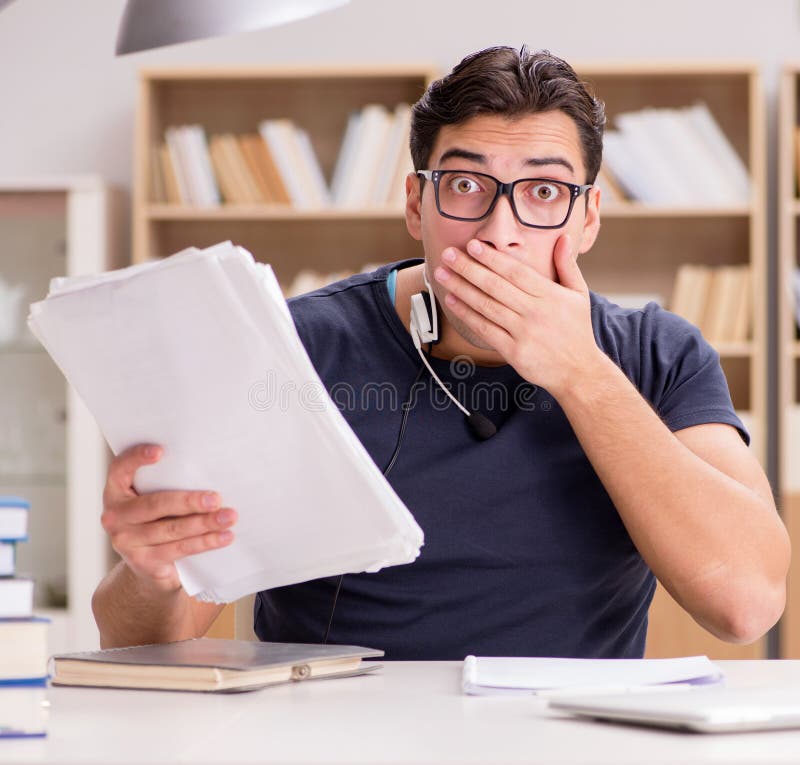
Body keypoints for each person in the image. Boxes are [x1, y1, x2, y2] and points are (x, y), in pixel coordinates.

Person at [92, 46, 789, 659]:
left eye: (544, 192)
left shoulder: (657, 354)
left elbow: (747, 604)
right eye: (465, 186)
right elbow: (143, 642)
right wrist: (153, 570)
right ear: (417, 206)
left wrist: (581, 373)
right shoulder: (294, 347)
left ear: (588, 218)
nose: (498, 231)